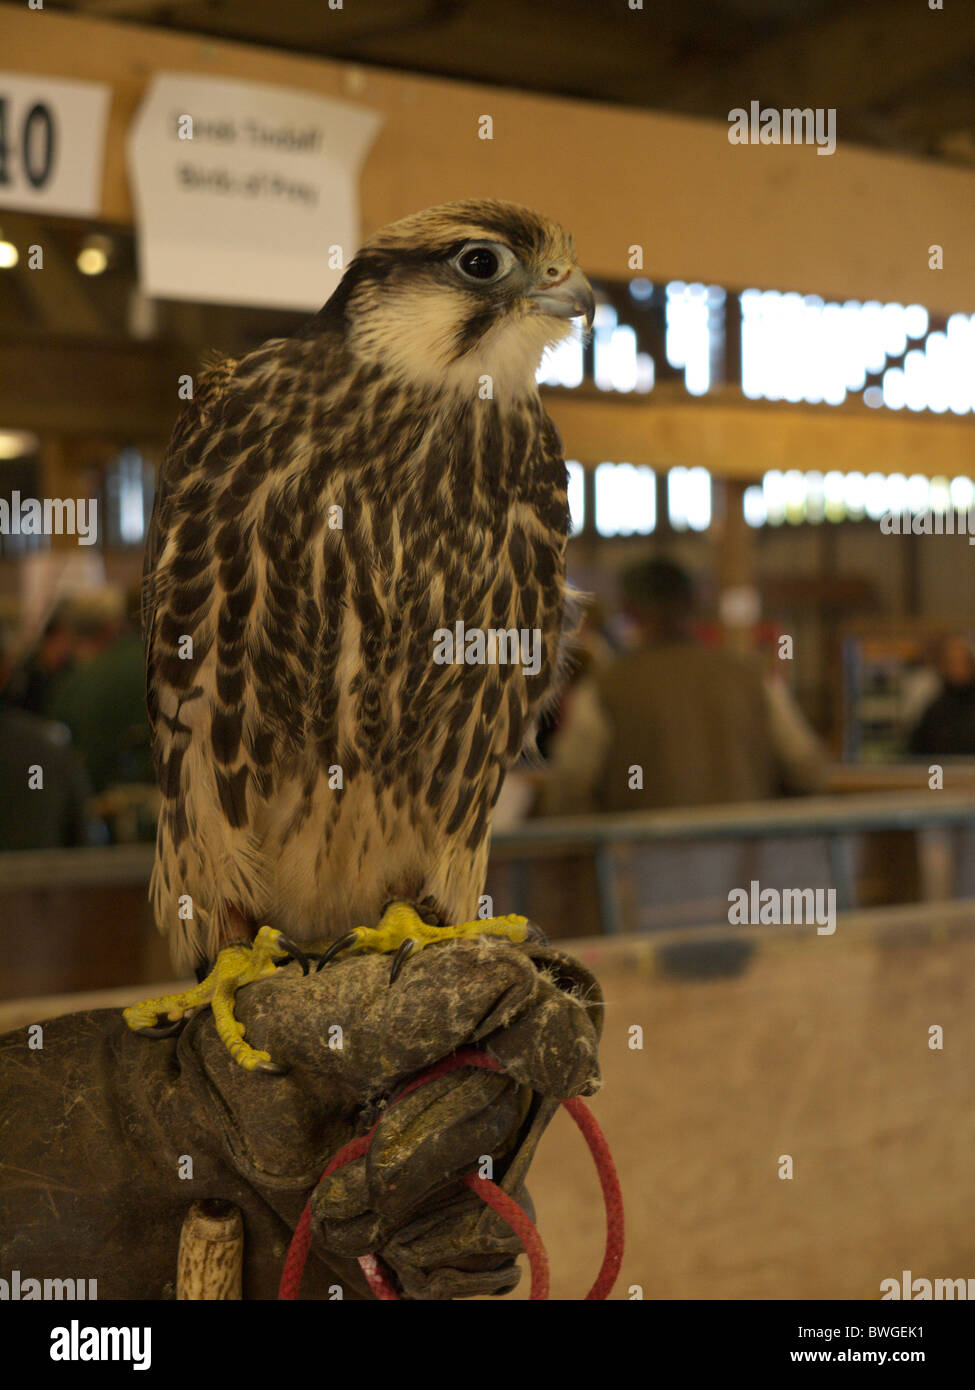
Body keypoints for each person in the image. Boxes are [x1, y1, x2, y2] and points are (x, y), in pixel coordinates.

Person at [537, 557, 825, 814]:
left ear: (629, 609)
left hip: (642, 865)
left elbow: (570, 788)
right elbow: (806, 768)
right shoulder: (751, 680)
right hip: (745, 866)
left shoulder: (606, 690)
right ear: (693, 604)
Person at [907, 634, 975, 756]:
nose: (958, 668)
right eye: (952, 662)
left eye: (963, 661)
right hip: (941, 773)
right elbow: (915, 752)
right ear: (943, 667)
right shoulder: (934, 711)